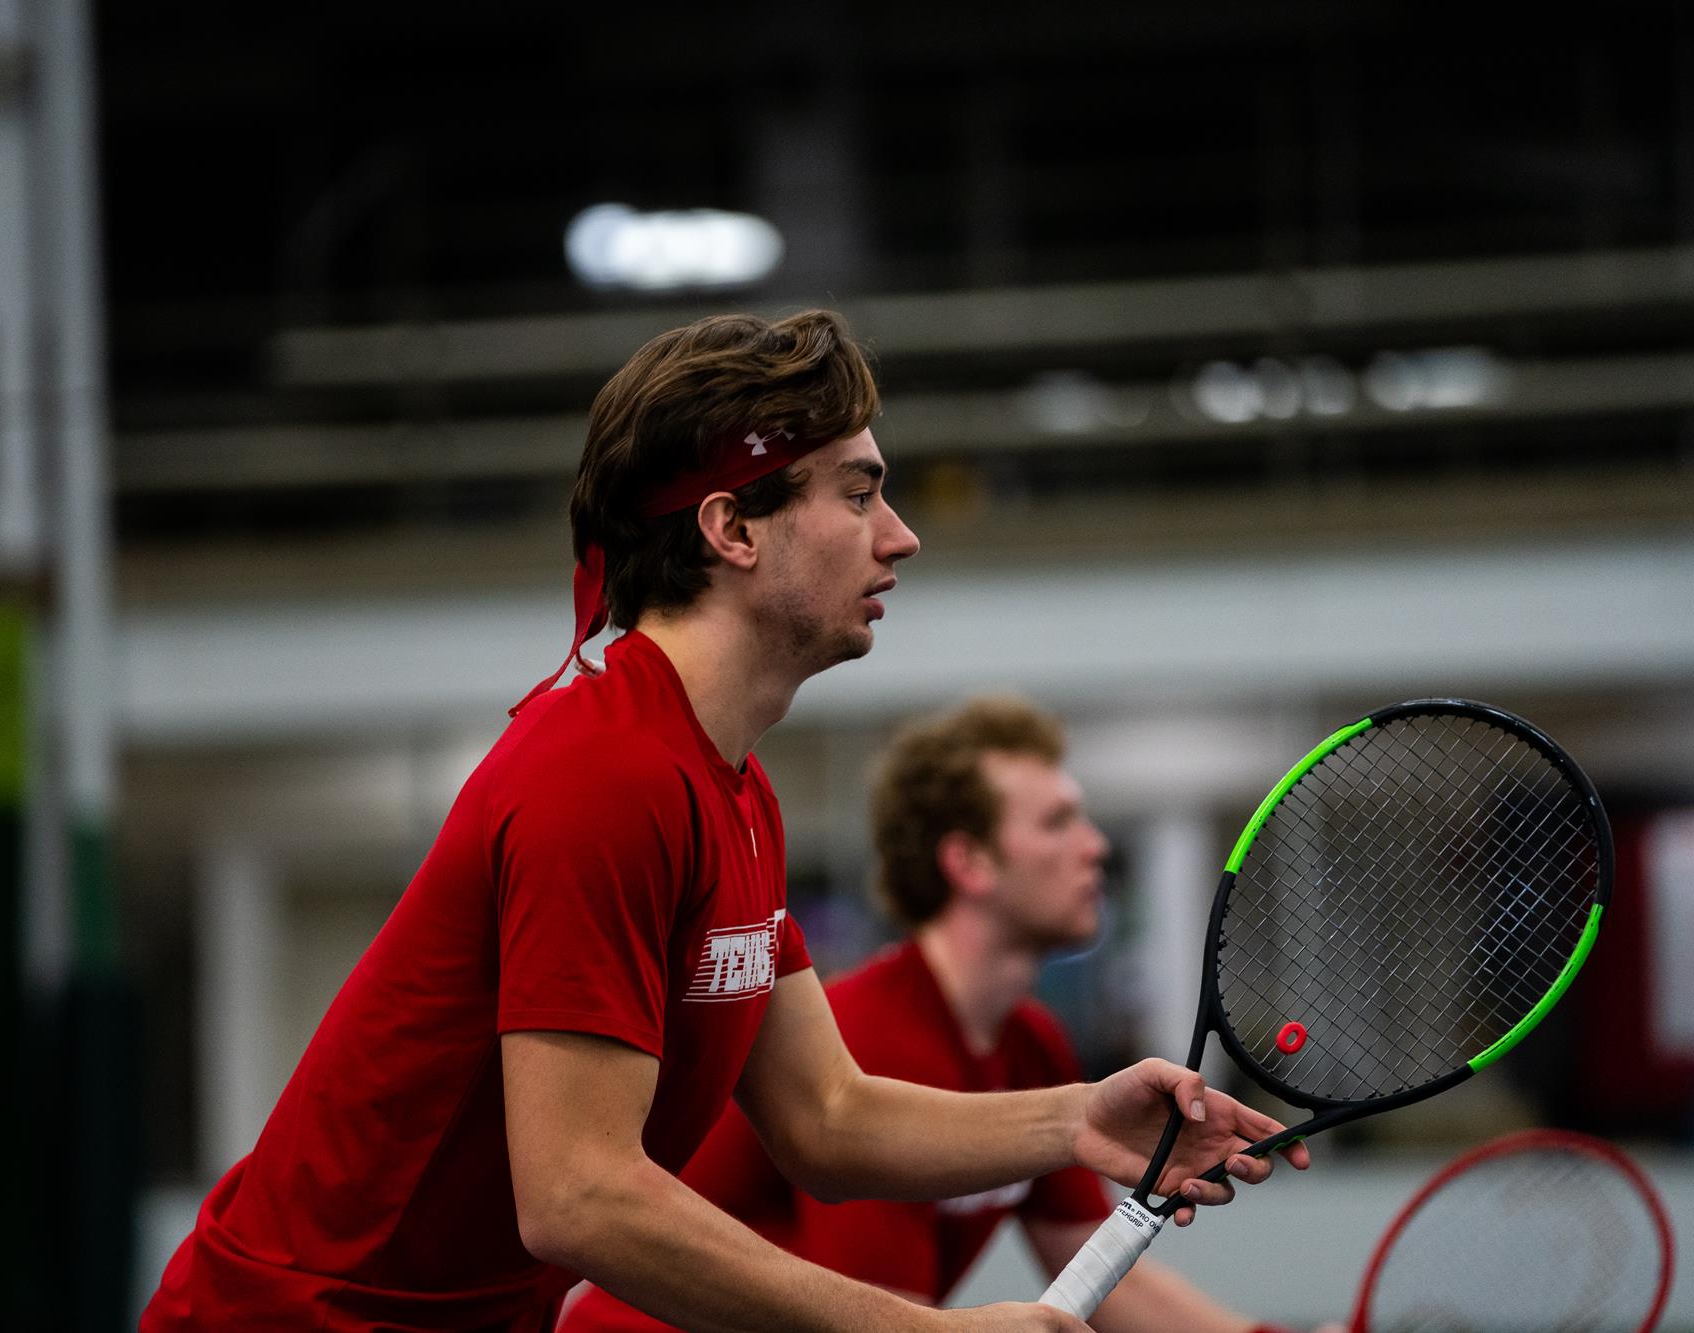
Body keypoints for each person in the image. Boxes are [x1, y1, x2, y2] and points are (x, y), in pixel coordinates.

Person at [140, 311, 1308, 1333]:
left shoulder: (730, 790)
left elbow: (825, 1116)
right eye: (854, 491)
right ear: (731, 531)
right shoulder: (599, 775)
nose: (898, 533)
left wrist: (1075, 1121)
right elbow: (578, 1195)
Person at [561, 697, 1336, 1333]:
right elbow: (883, 1315)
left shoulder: (1030, 1044)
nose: (1095, 845)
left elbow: (1101, 1272)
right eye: (1057, 821)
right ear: (968, 862)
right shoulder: (873, 1033)